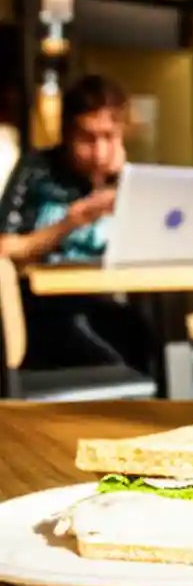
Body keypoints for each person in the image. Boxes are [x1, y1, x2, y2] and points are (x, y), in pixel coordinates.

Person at [0, 75, 151, 372]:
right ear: (66, 134)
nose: (99, 152)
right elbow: (3, 246)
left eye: (109, 137)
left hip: (107, 303)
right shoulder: (37, 170)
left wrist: (122, 184)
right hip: (43, 310)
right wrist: (69, 222)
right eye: (87, 138)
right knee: (115, 364)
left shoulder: (128, 181)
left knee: (153, 350)